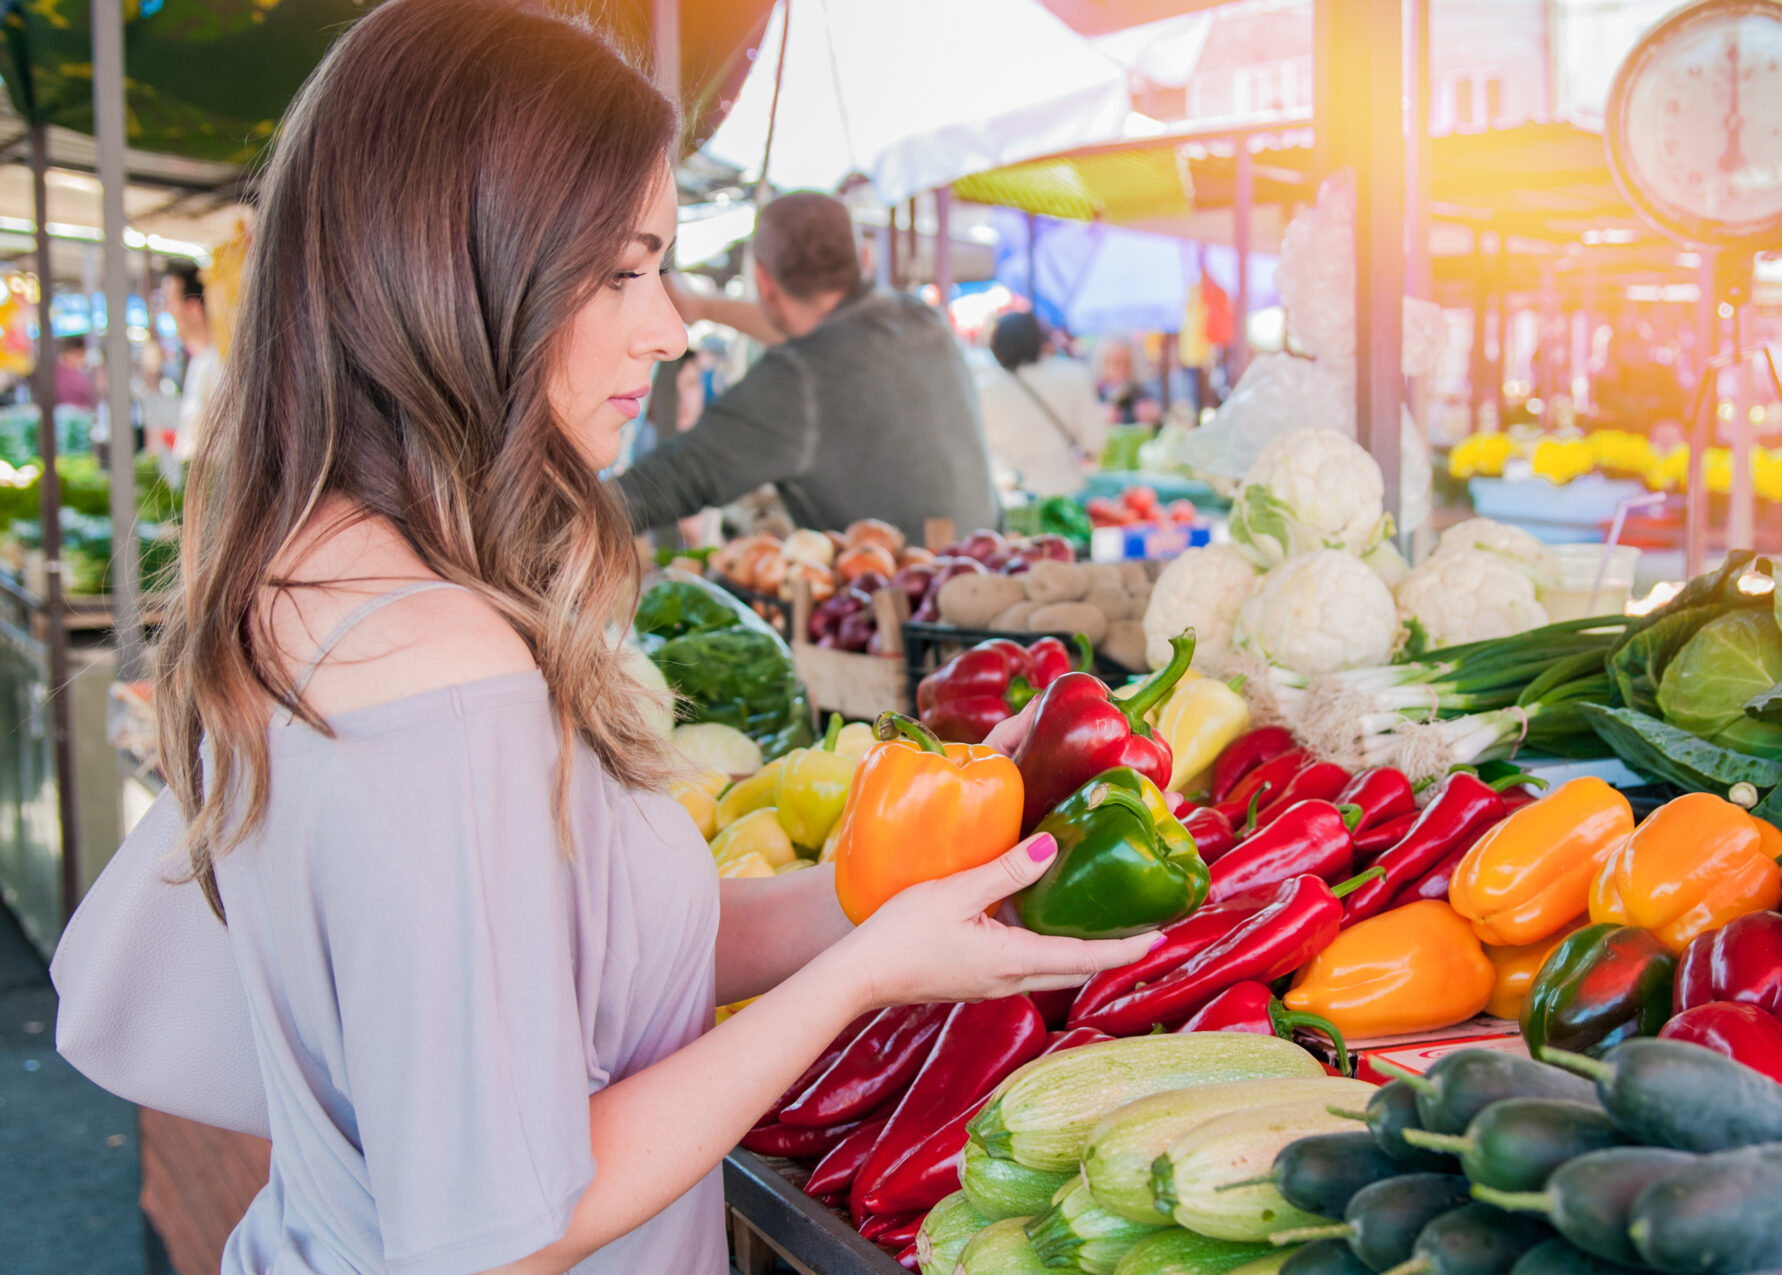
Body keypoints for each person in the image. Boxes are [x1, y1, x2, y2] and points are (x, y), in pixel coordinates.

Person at [48, 3, 1154, 1272]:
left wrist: (876, 891)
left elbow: (592, 952)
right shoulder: (444, 678)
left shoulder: (310, 574)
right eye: (626, 269)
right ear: (463, 274)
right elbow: (506, 1237)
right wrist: (856, 982)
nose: (674, 324)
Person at [613, 191, 1000, 542]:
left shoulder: (797, 381)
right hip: (996, 578)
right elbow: (811, 331)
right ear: (864, 258)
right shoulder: (921, 319)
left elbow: (675, 480)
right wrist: (701, 308)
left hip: (902, 611)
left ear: (764, 283)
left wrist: (559, 524)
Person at [975, 312, 1106, 497]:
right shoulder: (1073, 375)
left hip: (1011, 497)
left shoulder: (982, 389)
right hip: (1065, 494)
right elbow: (1094, 442)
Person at [160, 259, 223, 458]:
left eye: (170, 301)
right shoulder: (198, 363)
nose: (166, 310)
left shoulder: (222, 365)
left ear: (194, 308)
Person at [53, 335, 97, 409]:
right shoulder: (61, 372)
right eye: (79, 355)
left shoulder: (78, 371)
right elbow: (86, 391)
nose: (81, 358)